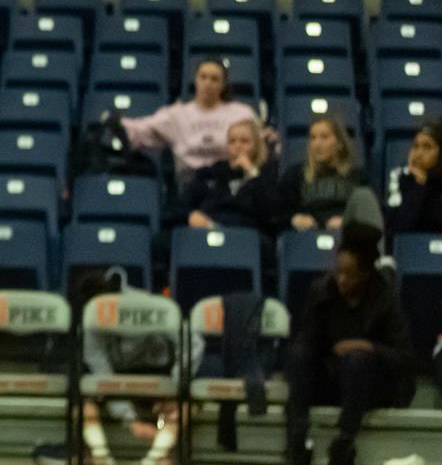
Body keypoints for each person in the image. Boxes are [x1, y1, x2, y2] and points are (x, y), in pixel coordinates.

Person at [283, 223, 415, 465]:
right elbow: (307, 342)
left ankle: (344, 441)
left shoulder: (385, 298)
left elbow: (404, 358)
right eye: (338, 272)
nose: (341, 280)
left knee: (357, 360)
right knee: (299, 354)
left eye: (349, 275)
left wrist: (366, 346)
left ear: (366, 274)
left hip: (372, 385)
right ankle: (297, 438)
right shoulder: (322, 293)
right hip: (333, 379)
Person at [75, 269, 180, 465]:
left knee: (185, 404)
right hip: (117, 376)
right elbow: (102, 372)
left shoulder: (146, 304)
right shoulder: (90, 316)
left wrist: (176, 385)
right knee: (81, 398)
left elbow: (193, 343)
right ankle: (101, 456)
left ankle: (155, 457)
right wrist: (130, 420)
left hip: (156, 372)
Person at [121, 57, 258, 186]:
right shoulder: (176, 114)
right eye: (203, 77)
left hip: (229, 185)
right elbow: (139, 128)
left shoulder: (241, 114)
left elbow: (259, 147)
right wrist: (117, 122)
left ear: (223, 85)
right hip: (189, 185)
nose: (208, 83)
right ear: (196, 79)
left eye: (214, 79)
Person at [183, 119, 285, 233]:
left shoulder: (268, 172)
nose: (237, 146)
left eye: (244, 141)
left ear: (256, 146)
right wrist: (191, 215)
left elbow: (272, 212)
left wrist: (251, 172)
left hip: (250, 234)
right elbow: (183, 205)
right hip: (211, 231)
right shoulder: (213, 173)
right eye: (232, 141)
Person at [283, 116, 373, 233]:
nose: (317, 144)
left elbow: (373, 211)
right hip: (306, 237)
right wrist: (294, 219)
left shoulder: (356, 176)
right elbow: (277, 209)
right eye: (313, 138)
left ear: (340, 143)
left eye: (324, 137)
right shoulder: (296, 174)